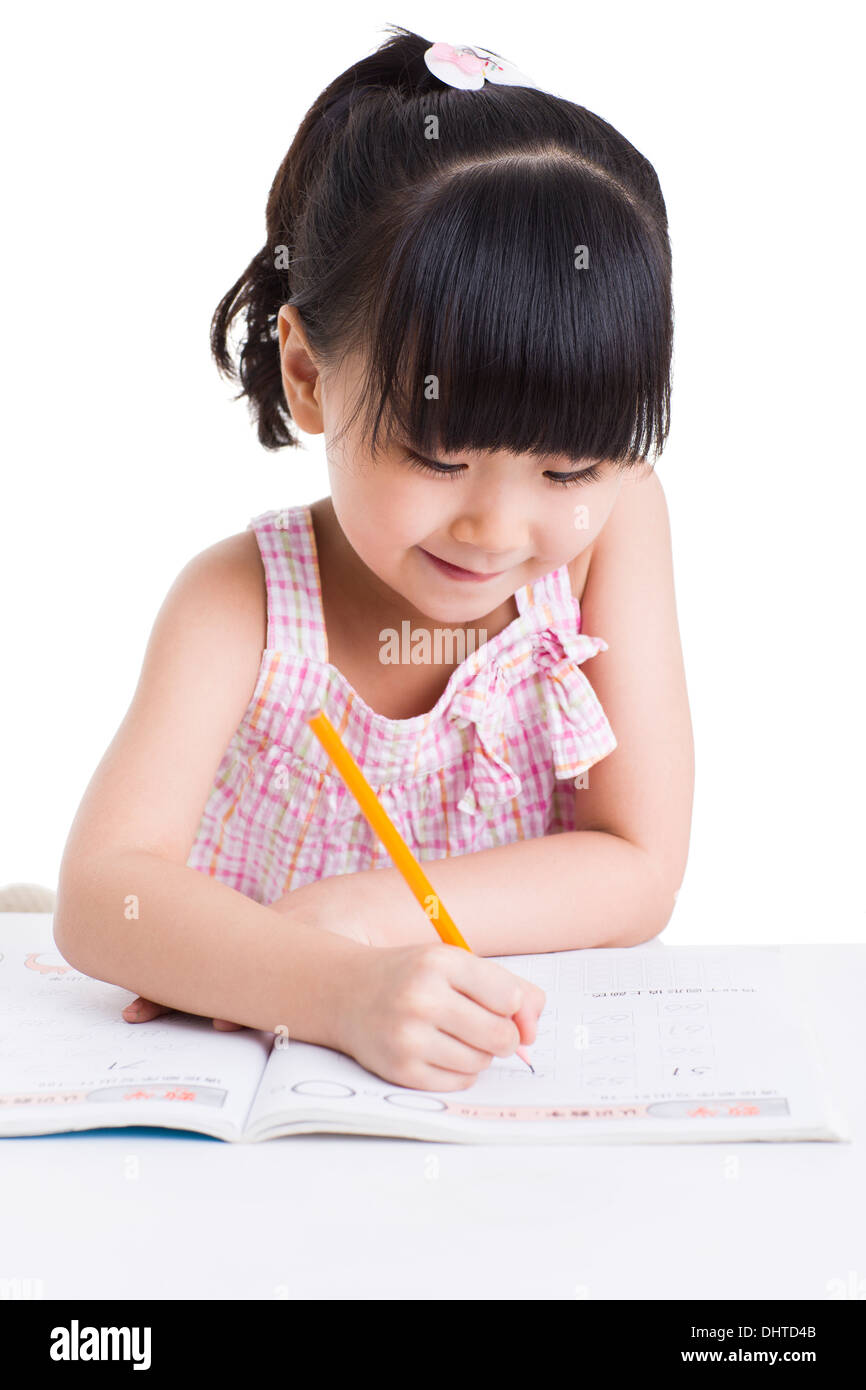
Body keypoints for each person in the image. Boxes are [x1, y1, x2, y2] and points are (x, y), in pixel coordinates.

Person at [54, 26, 694, 1092]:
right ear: (307, 375)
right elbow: (101, 893)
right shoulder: (241, 603)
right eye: (439, 455)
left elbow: (638, 868)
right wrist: (336, 989)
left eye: (568, 469)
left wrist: (358, 913)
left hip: (511, 1089)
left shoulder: (617, 529)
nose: (495, 529)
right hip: (265, 1115)